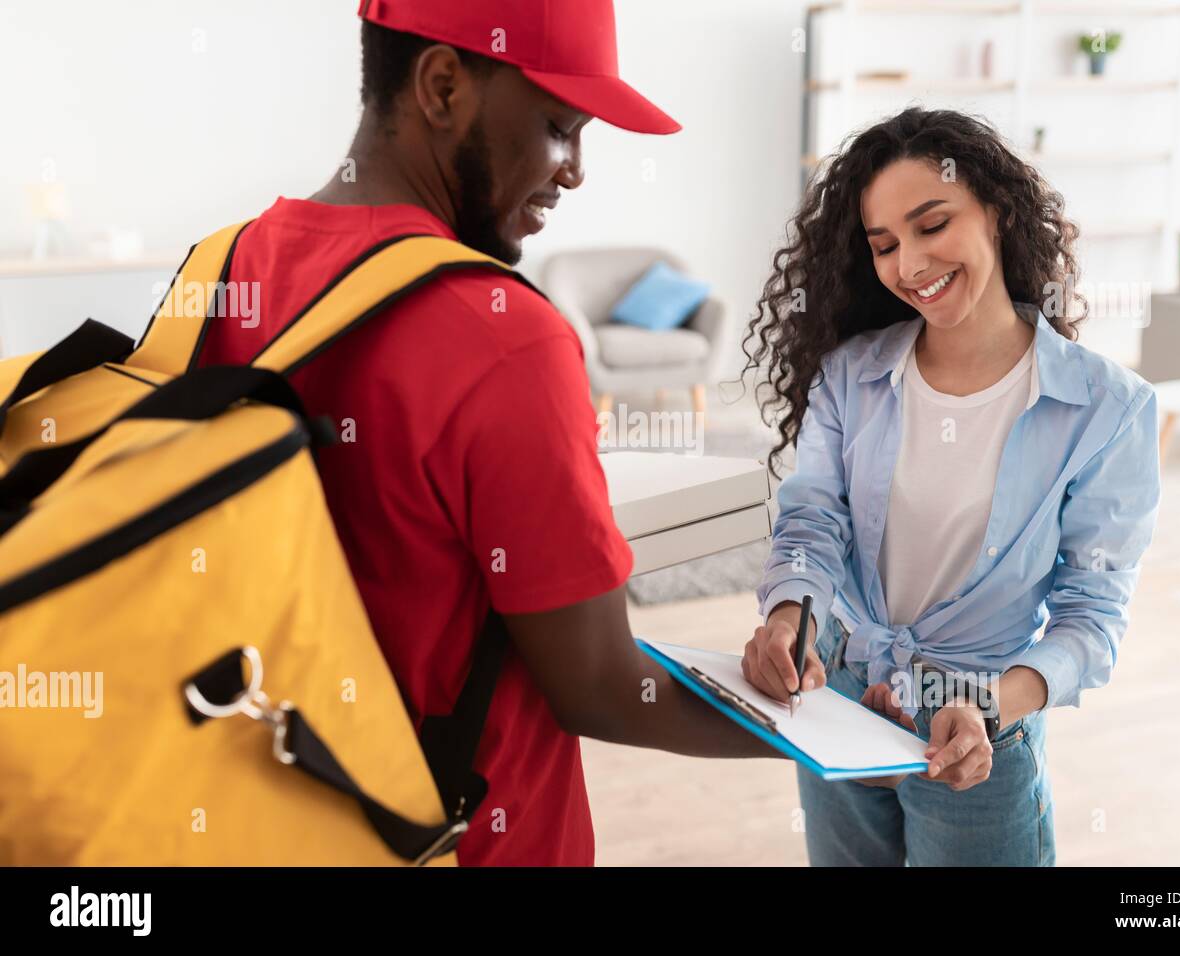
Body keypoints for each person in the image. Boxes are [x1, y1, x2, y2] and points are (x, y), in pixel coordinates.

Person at [196, 0, 772, 867]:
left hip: (276, 817)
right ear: (440, 85)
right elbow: (600, 688)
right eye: (558, 126)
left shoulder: (221, 269)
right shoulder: (505, 335)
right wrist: (823, 731)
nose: (574, 170)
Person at [739, 107, 1161, 866]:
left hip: (974, 736)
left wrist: (987, 707)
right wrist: (789, 620)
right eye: (885, 245)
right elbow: (812, 523)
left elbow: (1091, 617)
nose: (910, 264)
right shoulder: (852, 376)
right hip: (834, 699)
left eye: (932, 224)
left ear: (996, 210)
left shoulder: (1107, 410)